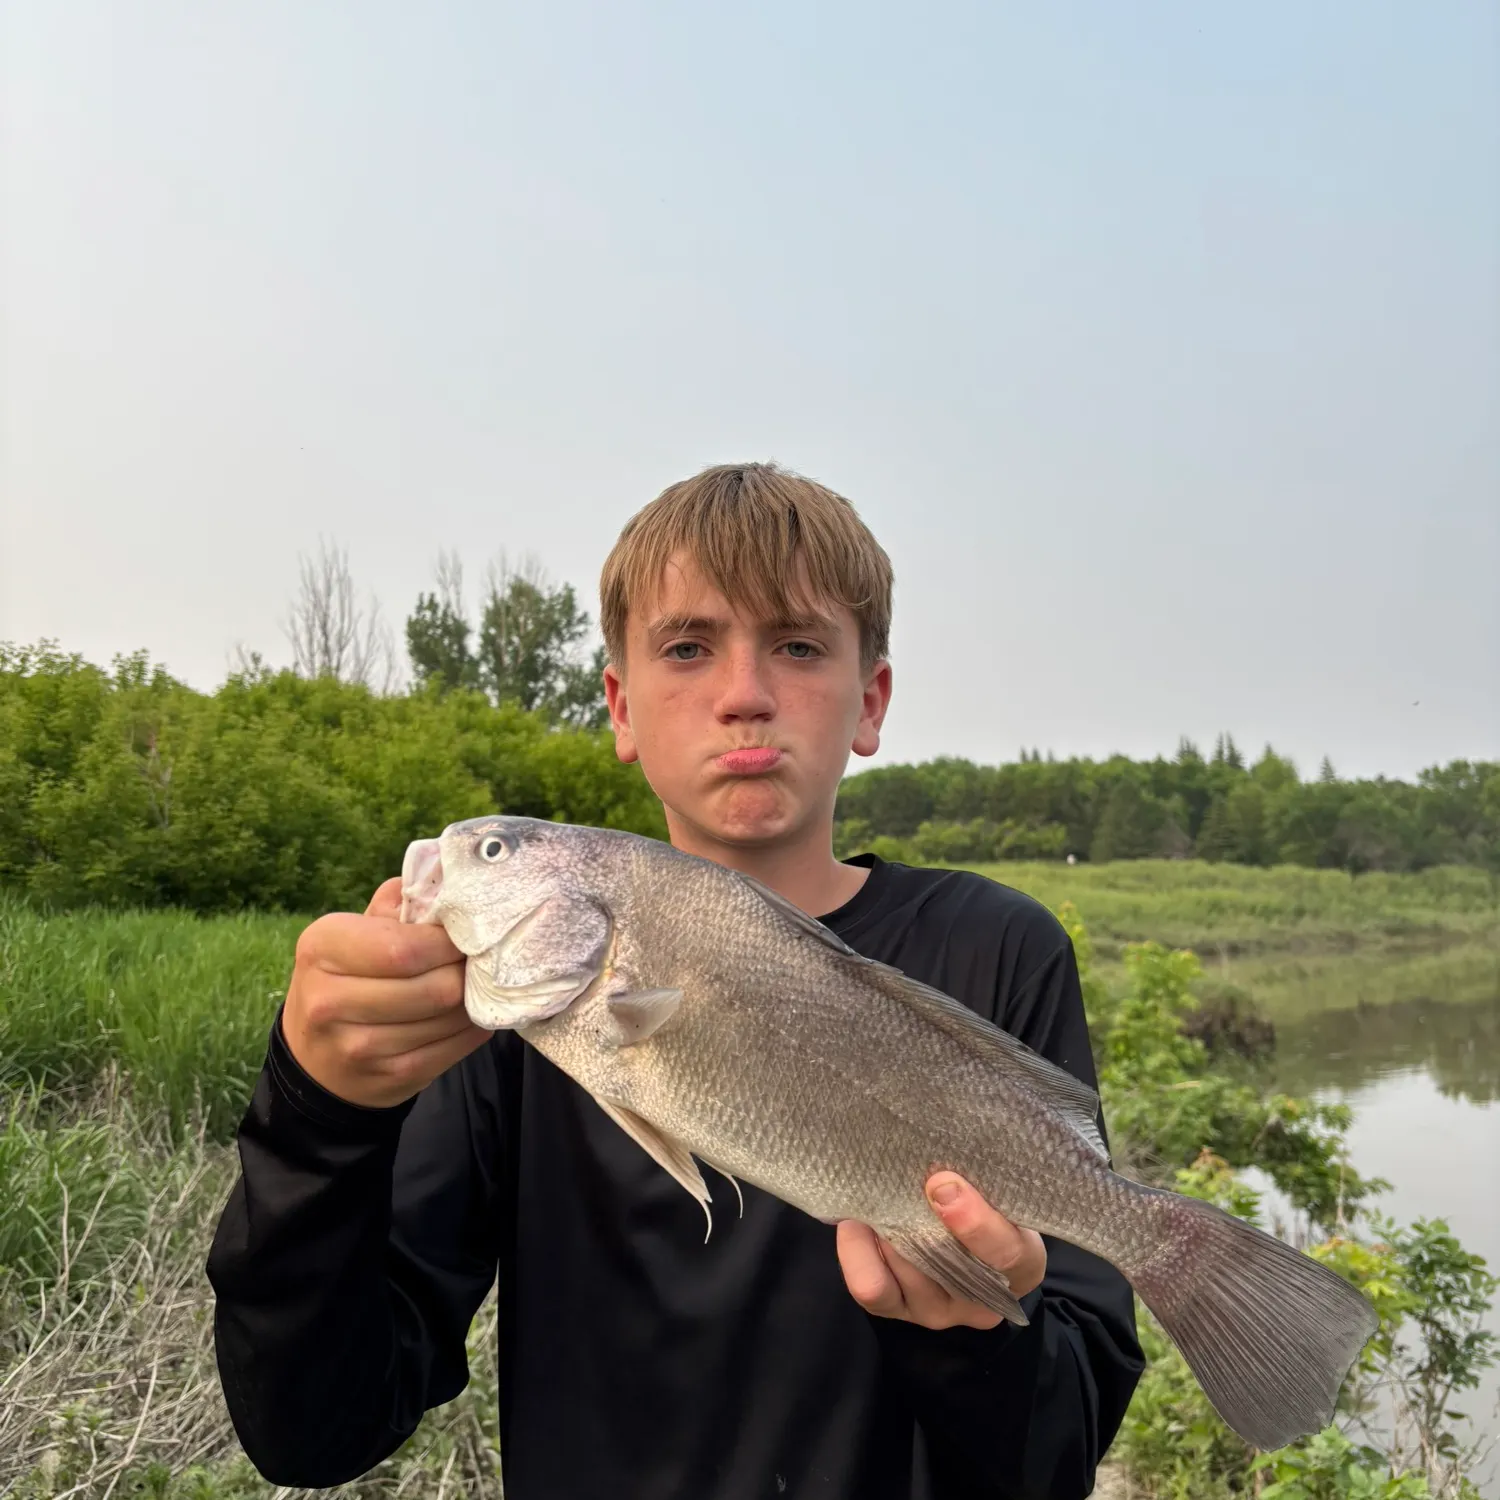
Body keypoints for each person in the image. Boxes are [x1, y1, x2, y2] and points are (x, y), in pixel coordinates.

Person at [206, 463, 1144, 1499]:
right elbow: (312, 1434)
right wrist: (318, 1118)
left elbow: (1056, 1460)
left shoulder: (997, 947)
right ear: (620, 706)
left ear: (870, 700)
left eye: (797, 645)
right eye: (688, 648)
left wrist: (976, 1342)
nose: (744, 696)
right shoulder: (502, 1014)